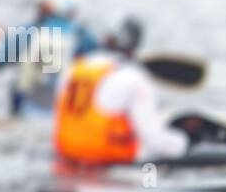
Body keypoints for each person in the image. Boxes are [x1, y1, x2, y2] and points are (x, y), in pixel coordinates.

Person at [51, 17, 188, 166]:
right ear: (135, 44)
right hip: (111, 164)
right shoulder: (135, 78)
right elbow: (153, 138)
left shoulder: (72, 70)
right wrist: (184, 143)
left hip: (67, 158)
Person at [0, 0, 97, 115]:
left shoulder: (27, 33)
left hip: (26, 116)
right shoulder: (85, 38)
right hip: (67, 120)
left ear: (48, 7)